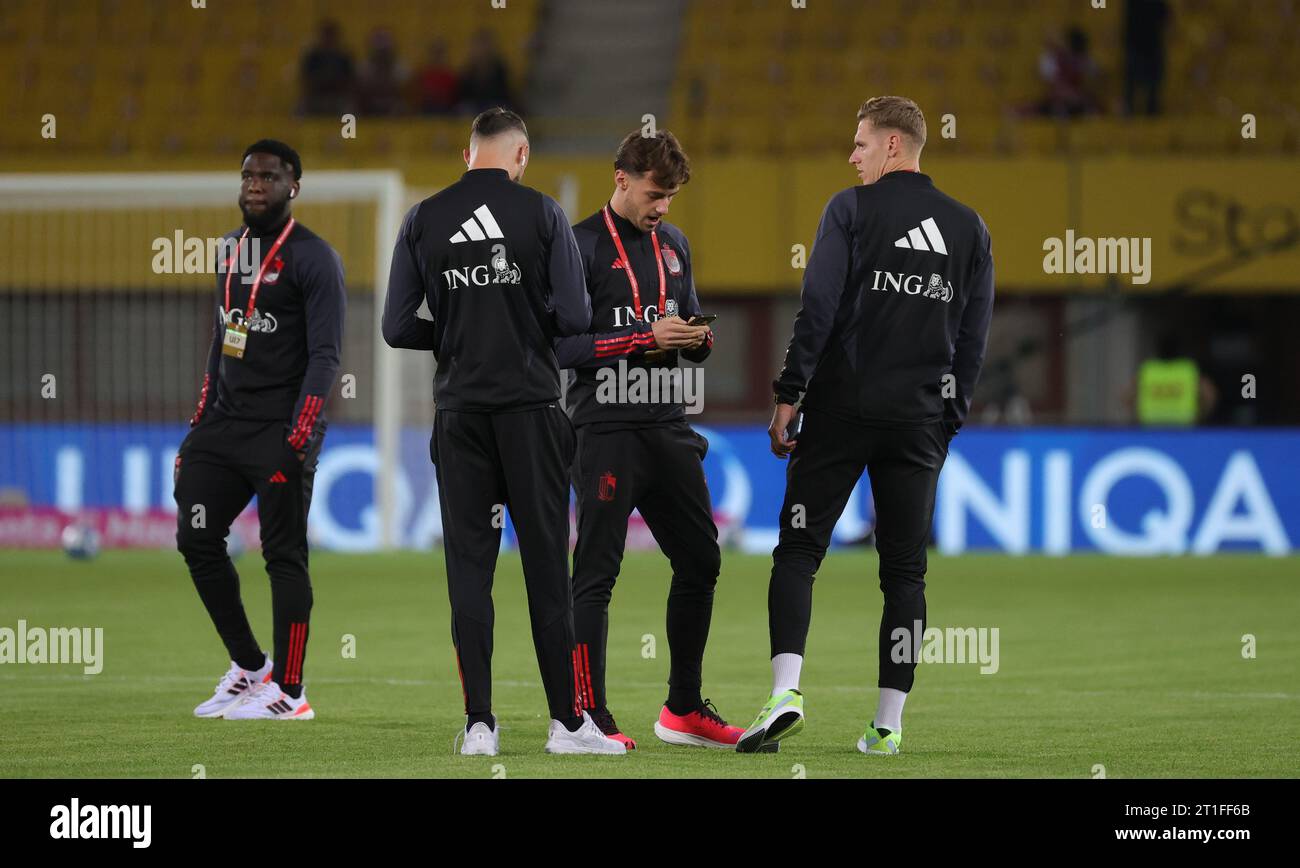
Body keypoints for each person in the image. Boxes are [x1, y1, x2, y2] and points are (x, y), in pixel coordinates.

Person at [737, 96, 995, 755]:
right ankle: (888, 726)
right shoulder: (970, 229)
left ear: (892, 146)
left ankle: (785, 692)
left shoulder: (849, 210)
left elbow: (817, 308)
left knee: (798, 551)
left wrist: (790, 393)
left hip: (842, 409)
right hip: (918, 423)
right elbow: (973, 336)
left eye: (859, 143)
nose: (850, 155)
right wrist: (949, 418)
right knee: (906, 572)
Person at [382, 108, 623, 756]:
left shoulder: (422, 218)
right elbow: (574, 319)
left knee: (470, 571)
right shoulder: (543, 215)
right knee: (547, 567)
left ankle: (480, 726)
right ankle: (567, 725)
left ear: (469, 155)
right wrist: (522, 322)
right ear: (519, 156)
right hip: (532, 413)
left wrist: (458, 332)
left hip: (460, 416)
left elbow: (397, 327)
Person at [555, 130, 744, 750]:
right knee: (598, 573)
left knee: (701, 560)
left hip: (667, 423)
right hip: (606, 428)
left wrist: (697, 337)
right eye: (655, 194)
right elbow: (559, 347)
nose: (662, 207)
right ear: (621, 179)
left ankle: (682, 710)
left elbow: (686, 318)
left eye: (671, 197)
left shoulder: (675, 245)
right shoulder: (578, 247)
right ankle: (587, 714)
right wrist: (642, 340)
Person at [178, 139, 346, 721]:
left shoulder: (313, 258)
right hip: (224, 427)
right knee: (197, 537)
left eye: (269, 176)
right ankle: (251, 667)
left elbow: (325, 357)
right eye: (248, 174)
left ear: (292, 186)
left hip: (282, 428)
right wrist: (197, 428)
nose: (255, 184)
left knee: (283, 555)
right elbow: (221, 341)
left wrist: (298, 438)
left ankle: (291, 695)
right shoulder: (227, 251)